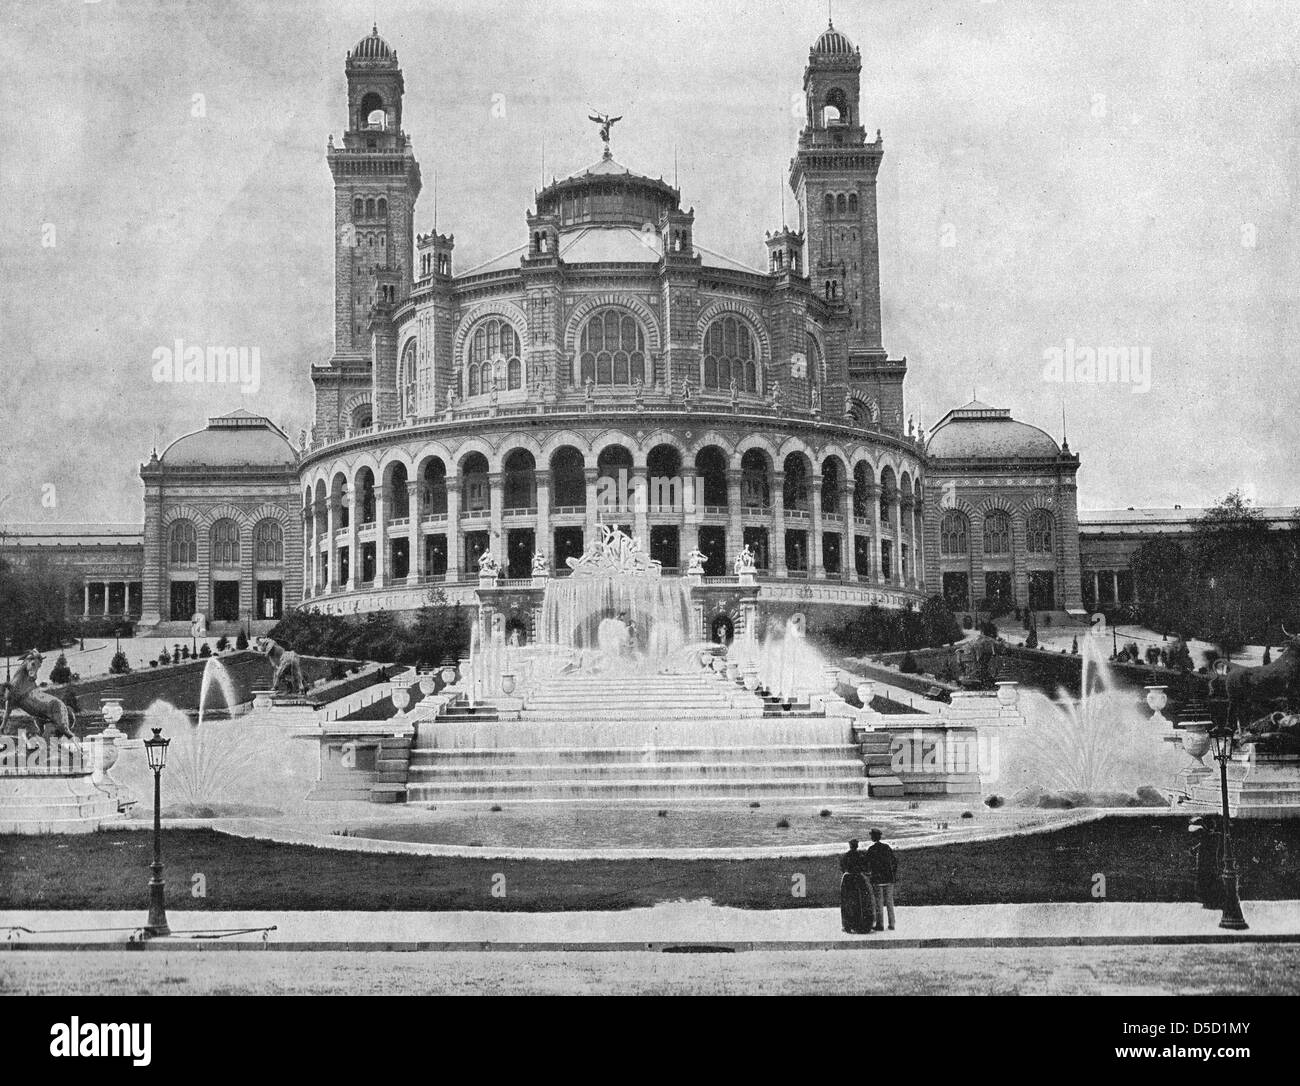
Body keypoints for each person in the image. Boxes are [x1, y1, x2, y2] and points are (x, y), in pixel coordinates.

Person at [838, 838, 877, 934]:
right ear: (857, 846)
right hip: (858, 878)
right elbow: (865, 867)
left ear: (850, 846)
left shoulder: (845, 856)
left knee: (848, 901)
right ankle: (862, 924)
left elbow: (842, 867)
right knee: (861, 901)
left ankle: (848, 925)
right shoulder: (860, 855)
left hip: (847, 879)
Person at [865, 828, 898, 931]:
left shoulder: (871, 849)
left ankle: (880, 924)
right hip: (889, 879)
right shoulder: (887, 847)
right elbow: (894, 862)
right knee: (889, 902)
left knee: (879, 902)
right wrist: (893, 874)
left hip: (877, 880)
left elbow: (866, 864)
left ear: (873, 837)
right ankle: (892, 924)